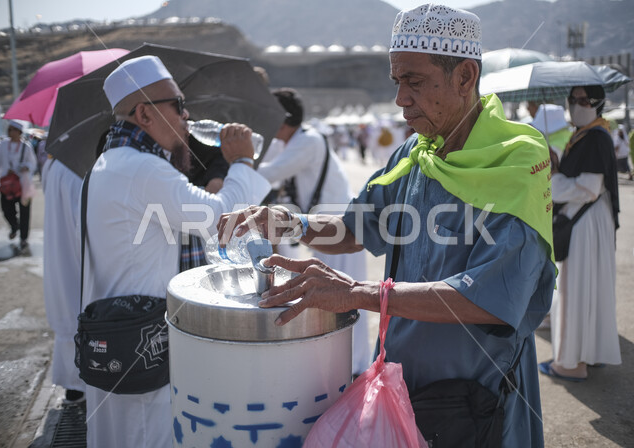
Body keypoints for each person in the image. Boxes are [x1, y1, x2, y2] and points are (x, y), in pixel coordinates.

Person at [217, 5, 556, 447]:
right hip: (405, 383)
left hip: (477, 398)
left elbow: (489, 298)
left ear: (465, 77)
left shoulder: (516, 160)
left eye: (414, 82)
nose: (401, 99)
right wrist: (289, 224)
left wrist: (361, 294)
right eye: (397, 82)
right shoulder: (416, 156)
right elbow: (358, 227)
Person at [82, 55, 270, 448]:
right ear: (144, 115)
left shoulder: (111, 162)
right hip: (142, 345)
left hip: (123, 337)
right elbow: (219, 216)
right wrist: (242, 162)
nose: (187, 116)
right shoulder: (141, 169)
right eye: (177, 105)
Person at [256, 88, 371, 376]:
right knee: (331, 299)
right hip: (324, 230)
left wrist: (239, 161)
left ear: (280, 119)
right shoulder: (296, 141)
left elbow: (269, 174)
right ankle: (342, 362)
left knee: (347, 299)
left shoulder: (306, 141)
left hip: (340, 230)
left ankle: (353, 367)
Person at [540, 85, 621, 381]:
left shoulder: (595, 136)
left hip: (585, 221)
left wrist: (553, 178)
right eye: (572, 100)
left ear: (598, 103)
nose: (577, 105)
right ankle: (590, 353)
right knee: (589, 287)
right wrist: (559, 163)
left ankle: (572, 363)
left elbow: (588, 188)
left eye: (584, 100)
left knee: (577, 288)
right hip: (590, 221)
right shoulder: (587, 133)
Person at [41, 156, 86, 403]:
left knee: (66, 302)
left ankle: (73, 384)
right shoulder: (80, 169)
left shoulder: (53, 165)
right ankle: (79, 382)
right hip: (75, 247)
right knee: (77, 304)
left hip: (59, 246)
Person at [0, 120, 37, 255]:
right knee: (6, 208)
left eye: (13, 129)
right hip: (7, 184)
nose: (10, 132)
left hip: (23, 184)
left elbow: (33, 163)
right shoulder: (3, 145)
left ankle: (23, 238)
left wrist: (26, 167)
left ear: (19, 132)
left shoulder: (27, 146)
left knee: (25, 212)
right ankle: (14, 226)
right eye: (9, 129)